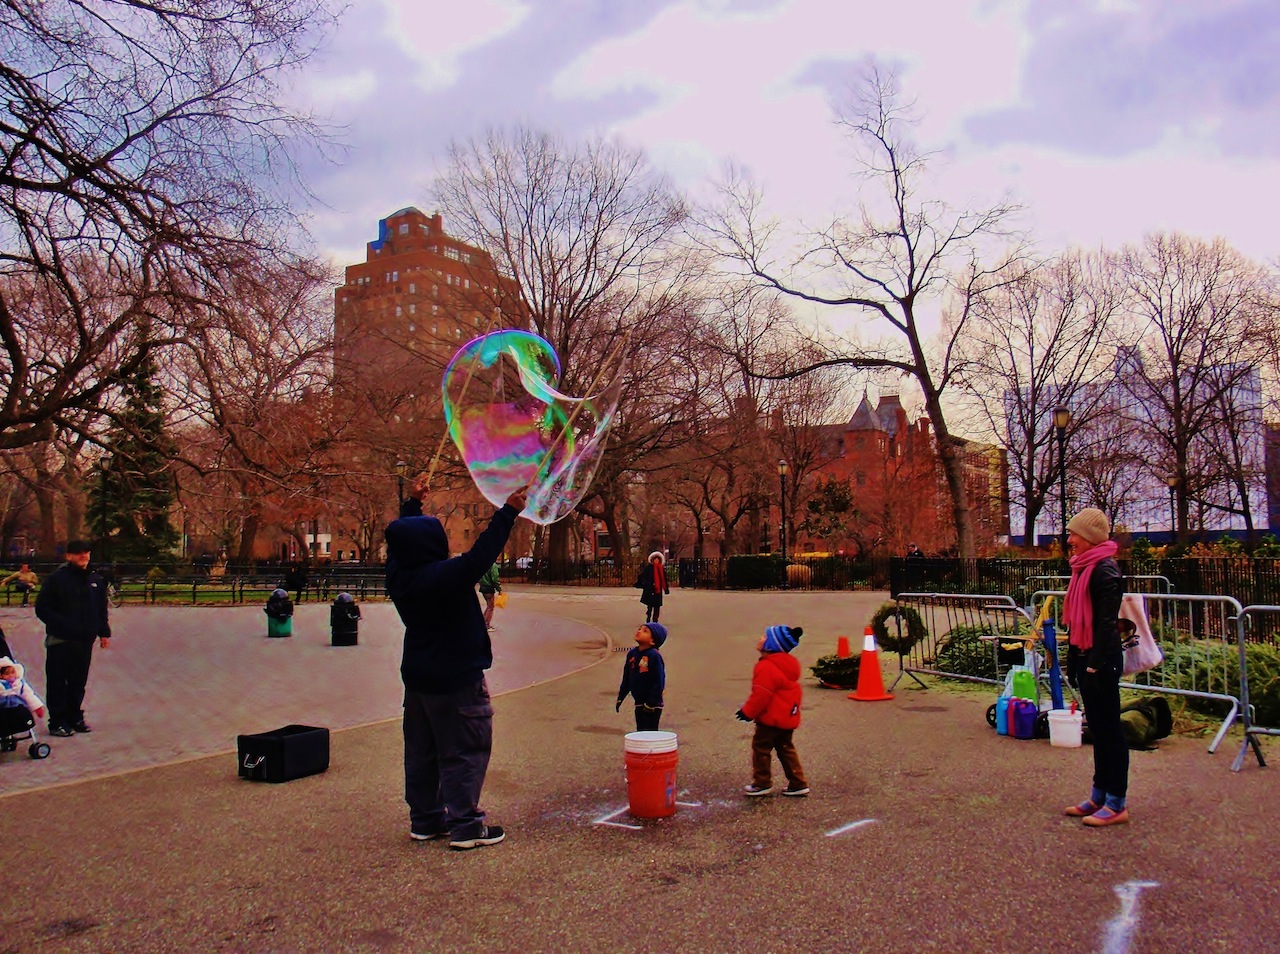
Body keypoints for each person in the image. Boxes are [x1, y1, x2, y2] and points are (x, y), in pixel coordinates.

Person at [385, 477, 527, 851]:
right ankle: (465, 825)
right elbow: (481, 556)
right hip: (458, 677)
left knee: (422, 750)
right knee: (464, 748)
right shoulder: (444, 576)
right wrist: (508, 512)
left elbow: (397, 545)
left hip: (418, 679)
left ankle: (426, 820)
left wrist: (412, 505)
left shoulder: (399, 576)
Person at [1061, 507, 1128, 827]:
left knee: (1110, 731)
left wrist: (1094, 666)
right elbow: (1077, 622)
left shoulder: (1104, 571)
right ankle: (1098, 794)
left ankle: (1116, 802)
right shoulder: (1082, 568)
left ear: (1090, 537)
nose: (1069, 539)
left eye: (1074, 534)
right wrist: (1075, 660)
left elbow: (1105, 624)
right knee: (1098, 730)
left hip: (1101, 661)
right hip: (1087, 657)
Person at [34, 540, 111, 737]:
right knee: (58, 681)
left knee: (78, 681)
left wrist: (104, 632)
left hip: (85, 640)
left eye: (86, 552)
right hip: (61, 639)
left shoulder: (95, 580)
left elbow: (101, 609)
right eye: (78, 553)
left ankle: (75, 716)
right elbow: (42, 608)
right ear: (69, 556)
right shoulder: (57, 579)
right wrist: (61, 624)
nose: (83, 556)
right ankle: (57, 721)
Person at [736, 624, 809, 797]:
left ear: (771, 646)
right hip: (786, 717)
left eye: (764, 637)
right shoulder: (788, 665)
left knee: (761, 748)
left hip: (771, 718)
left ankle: (762, 782)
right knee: (785, 748)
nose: (760, 638)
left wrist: (748, 712)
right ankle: (798, 782)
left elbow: (761, 694)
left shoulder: (766, 667)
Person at [615, 622, 667, 731]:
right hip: (639, 702)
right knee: (641, 731)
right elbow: (627, 677)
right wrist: (621, 696)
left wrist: (651, 702)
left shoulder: (654, 655)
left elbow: (659, 681)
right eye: (639, 629)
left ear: (653, 641)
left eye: (645, 631)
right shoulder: (632, 654)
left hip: (653, 705)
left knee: (650, 733)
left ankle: (653, 748)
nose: (639, 631)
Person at [0, 656, 46, 720]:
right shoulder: (1, 686)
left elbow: (29, 695)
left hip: (18, 708)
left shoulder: (20, 685)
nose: (10, 675)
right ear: (1, 676)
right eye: (7, 674)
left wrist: (37, 708)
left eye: (12, 672)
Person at [634, 551, 669, 623]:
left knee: (657, 605)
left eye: (658, 559)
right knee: (650, 605)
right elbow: (642, 576)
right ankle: (648, 616)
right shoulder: (648, 568)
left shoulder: (661, 569)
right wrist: (646, 584)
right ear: (652, 560)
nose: (656, 561)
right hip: (649, 589)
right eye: (655, 559)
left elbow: (664, 579)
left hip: (658, 590)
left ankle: (655, 619)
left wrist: (666, 589)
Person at [478, 562, 501, 630]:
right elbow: (495, 578)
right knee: (490, 607)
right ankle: (486, 625)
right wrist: (499, 589)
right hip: (489, 588)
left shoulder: (483, 565)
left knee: (488, 606)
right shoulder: (493, 566)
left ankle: (483, 623)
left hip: (483, 587)